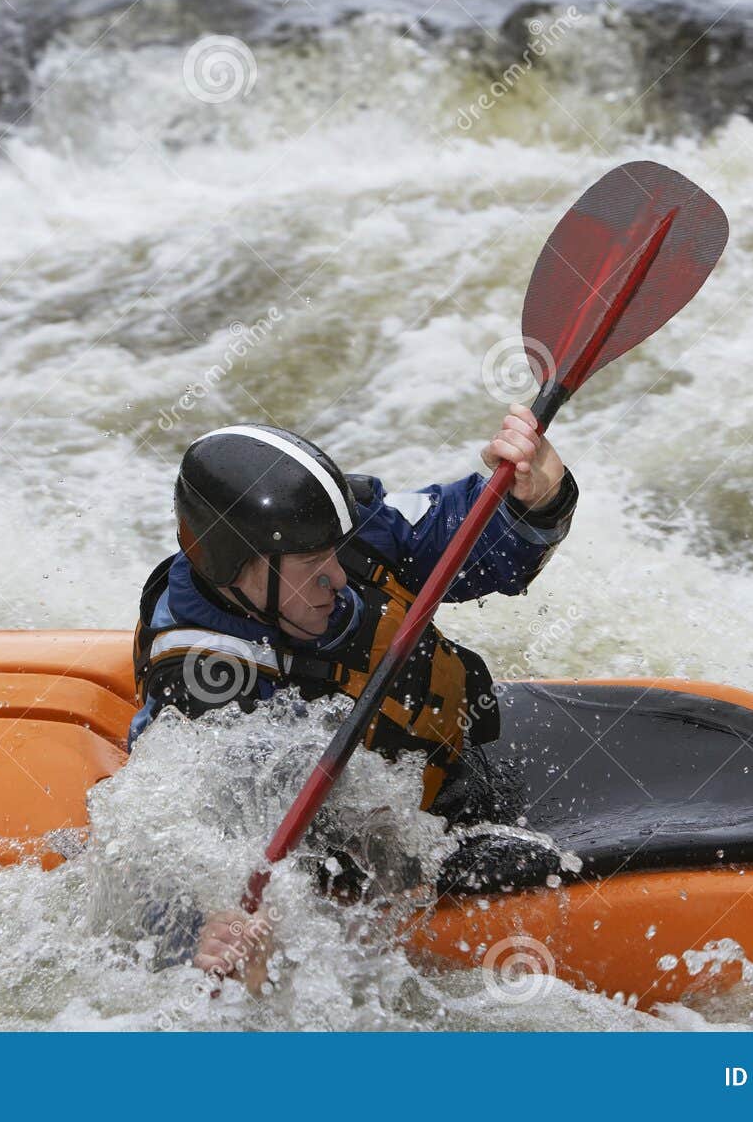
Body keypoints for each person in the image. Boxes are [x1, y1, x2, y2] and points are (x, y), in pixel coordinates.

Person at [131, 404, 577, 988]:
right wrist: (202, 930)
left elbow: (462, 536)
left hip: (454, 775)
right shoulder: (201, 682)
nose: (338, 577)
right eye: (313, 564)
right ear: (233, 564)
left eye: (334, 555)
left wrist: (534, 498)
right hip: (342, 863)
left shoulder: (336, 526)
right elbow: (167, 838)